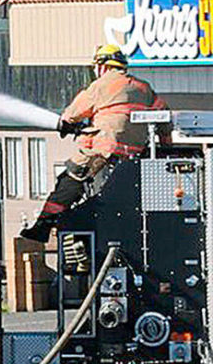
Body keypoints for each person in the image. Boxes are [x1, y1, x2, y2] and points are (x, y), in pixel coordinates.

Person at [21, 43, 167, 243]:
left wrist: (65, 122)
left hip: (103, 149)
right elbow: (164, 117)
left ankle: (43, 227)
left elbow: (73, 114)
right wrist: (166, 149)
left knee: (69, 180)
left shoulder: (102, 84)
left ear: (103, 65)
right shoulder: (144, 87)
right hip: (134, 154)